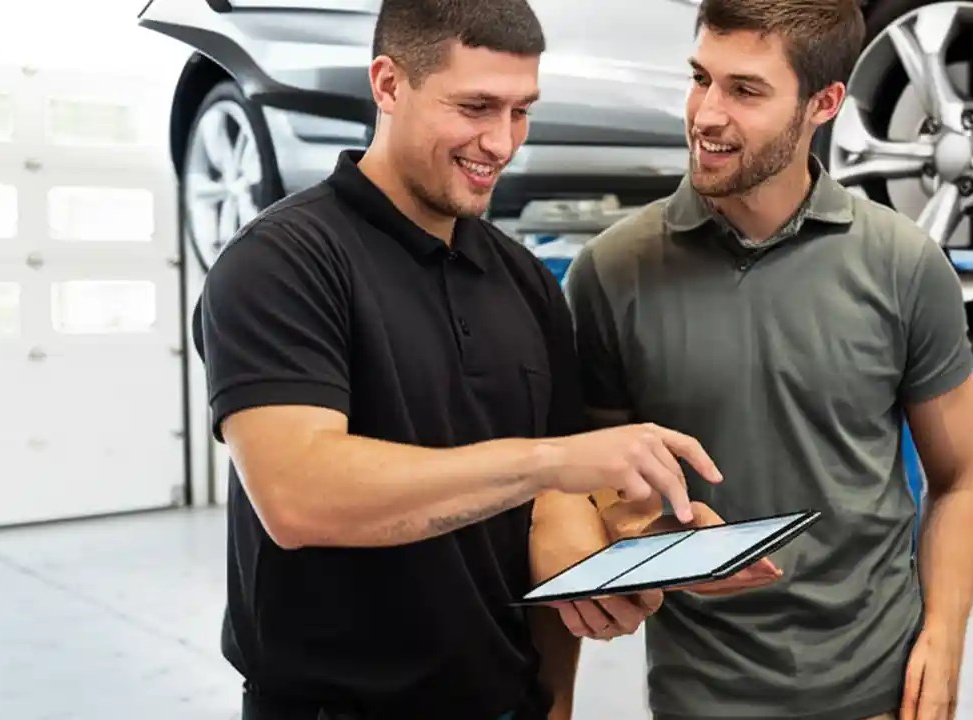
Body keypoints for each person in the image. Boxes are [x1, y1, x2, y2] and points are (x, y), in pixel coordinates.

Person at [190, 1, 725, 718]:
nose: (501, 142)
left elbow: (551, 508)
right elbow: (297, 496)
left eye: (520, 110)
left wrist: (641, 551)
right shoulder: (282, 263)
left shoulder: (526, 282)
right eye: (475, 106)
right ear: (387, 84)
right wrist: (545, 460)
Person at [562, 1, 973, 719]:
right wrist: (651, 542)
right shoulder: (612, 273)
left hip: (878, 696)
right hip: (698, 698)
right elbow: (592, 487)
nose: (705, 114)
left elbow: (960, 478)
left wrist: (944, 639)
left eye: (746, 90)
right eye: (701, 78)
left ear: (822, 104)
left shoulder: (903, 266)